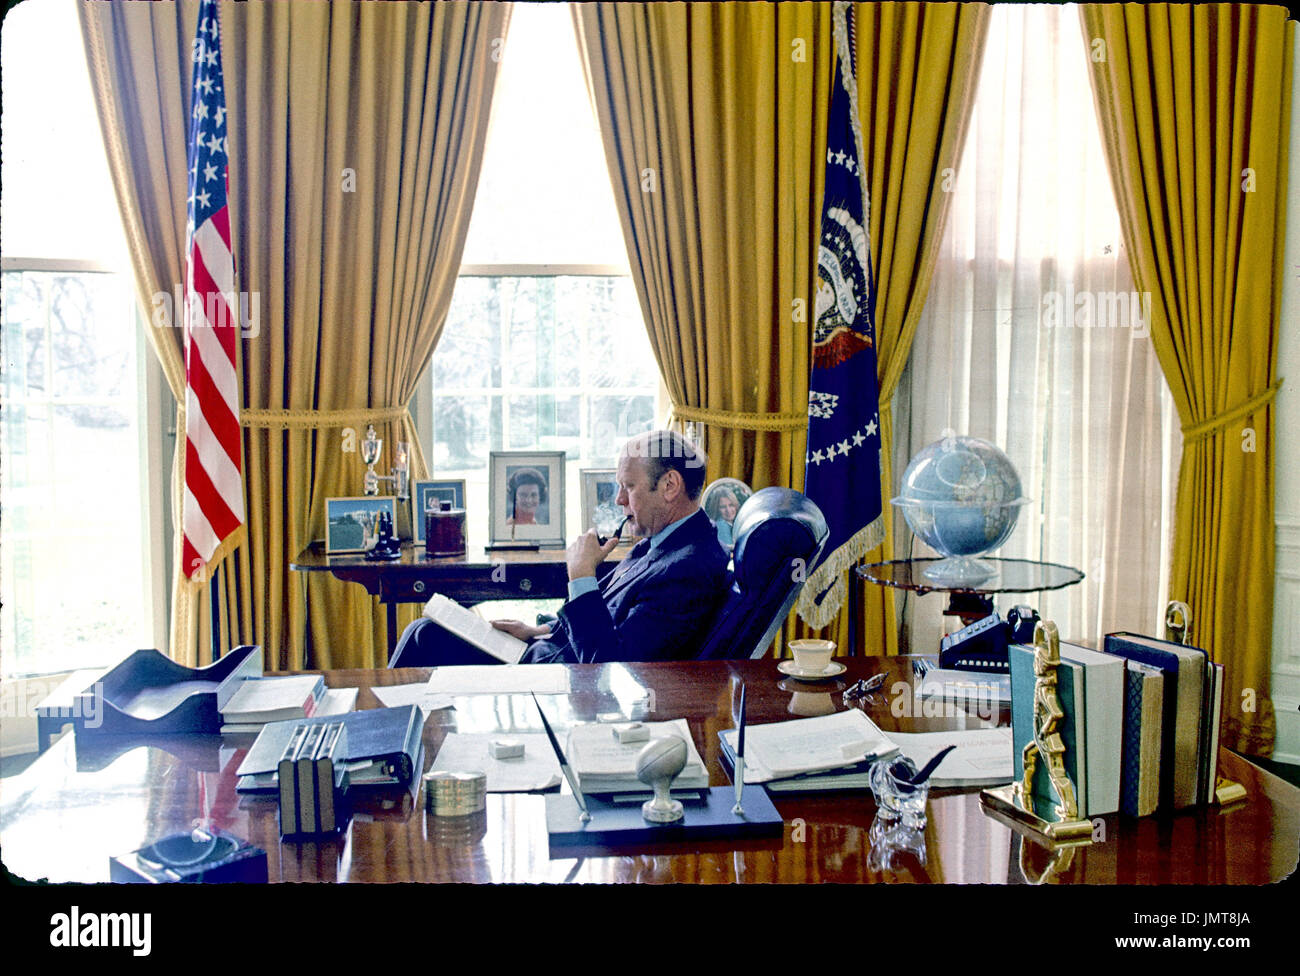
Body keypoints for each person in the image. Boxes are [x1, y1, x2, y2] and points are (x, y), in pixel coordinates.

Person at [392, 430, 728, 665]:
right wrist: (539, 630)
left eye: (629, 486)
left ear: (670, 485)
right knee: (425, 631)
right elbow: (610, 616)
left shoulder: (688, 569)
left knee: (425, 639)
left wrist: (581, 575)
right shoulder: (665, 541)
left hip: (558, 680)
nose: (619, 499)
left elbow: (609, 665)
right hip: (548, 652)